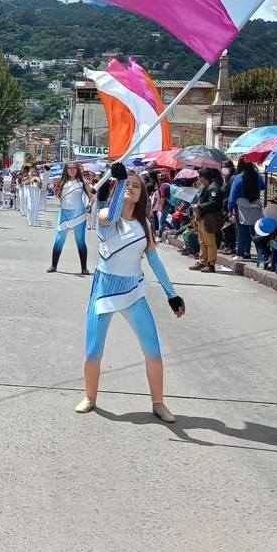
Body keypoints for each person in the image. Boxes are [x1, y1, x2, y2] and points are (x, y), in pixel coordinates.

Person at [74, 163, 185, 423]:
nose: (131, 187)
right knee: (93, 351)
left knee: (153, 351)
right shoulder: (104, 216)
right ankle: (90, 396)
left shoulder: (144, 224)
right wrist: (120, 181)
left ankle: (158, 402)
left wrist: (172, 294)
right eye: (127, 184)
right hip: (103, 291)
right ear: (117, 187)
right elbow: (112, 217)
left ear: (141, 195)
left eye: (136, 185)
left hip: (134, 291)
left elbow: (154, 261)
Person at [47, 161, 94, 275]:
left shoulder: (82, 182)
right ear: (66, 170)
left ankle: (84, 268)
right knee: (59, 240)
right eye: (69, 168)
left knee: (80, 241)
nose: (72, 170)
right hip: (64, 214)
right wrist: (46, 169)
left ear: (77, 170)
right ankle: (53, 265)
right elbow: (45, 181)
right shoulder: (61, 182)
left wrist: (89, 205)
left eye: (74, 168)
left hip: (79, 214)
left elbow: (91, 197)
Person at [229, 160, 266, 261]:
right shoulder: (257, 176)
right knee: (256, 231)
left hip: (241, 207)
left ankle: (240, 253)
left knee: (242, 231)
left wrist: (230, 208)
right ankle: (262, 254)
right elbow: (263, 186)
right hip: (255, 205)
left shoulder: (238, 178)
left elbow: (233, 195)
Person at [191, 168, 224, 273]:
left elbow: (213, 203)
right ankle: (202, 261)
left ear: (204, 178)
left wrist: (199, 207)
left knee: (209, 242)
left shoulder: (214, 188)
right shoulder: (208, 187)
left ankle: (211, 264)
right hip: (203, 218)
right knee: (202, 241)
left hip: (209, 218)